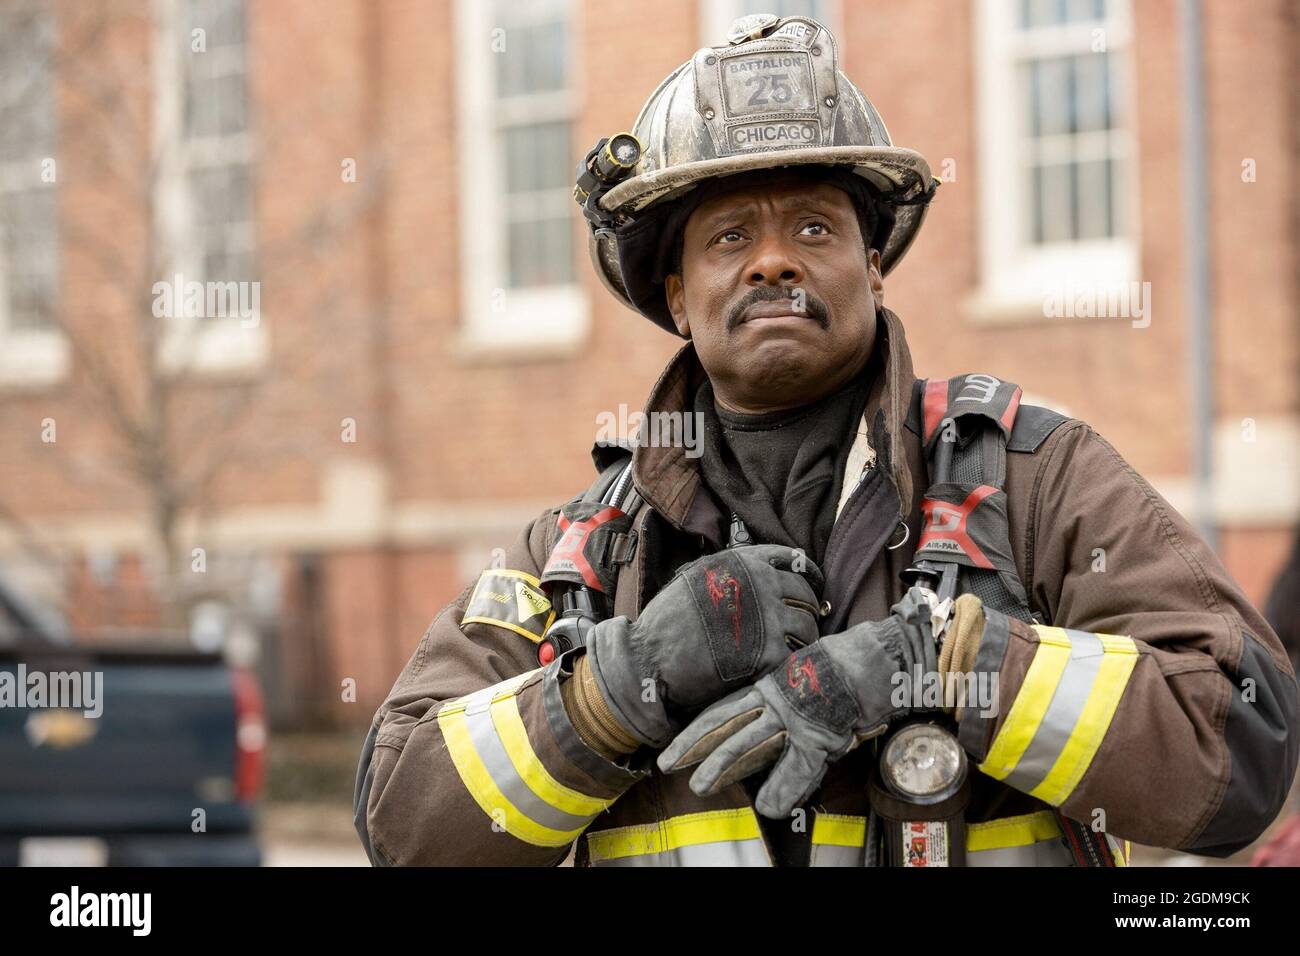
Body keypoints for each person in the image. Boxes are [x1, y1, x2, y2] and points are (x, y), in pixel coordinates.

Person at [353, 13, 1298, 867]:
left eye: (814, 225)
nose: (773, 259)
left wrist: (935, 665)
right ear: (676, 296)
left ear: (874, 264)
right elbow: (403, 827)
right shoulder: (580, 556)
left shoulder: (1035, 480)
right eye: (727, 238)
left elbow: (1243, 753)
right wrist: (621, 681)